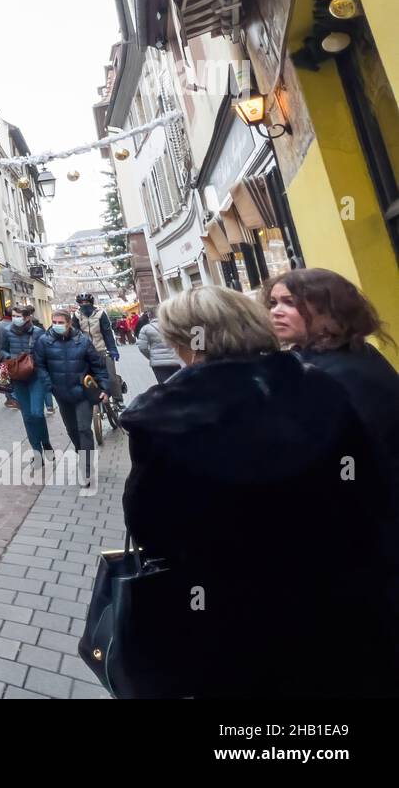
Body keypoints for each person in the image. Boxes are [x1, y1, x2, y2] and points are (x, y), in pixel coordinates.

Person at [118, 286, 398, 697]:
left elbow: (151, 525)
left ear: (187, 343)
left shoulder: (162, 416)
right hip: (340, 595)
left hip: (229, 609)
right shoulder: (319, 386)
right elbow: (364, 487)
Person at [263, 268, 399, 443]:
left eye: (290, 302)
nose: (276, 311)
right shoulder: (341, 354)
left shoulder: (340, 372)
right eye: (273, 303)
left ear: (329, 311)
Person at [34, 309, 108, 485]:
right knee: (72, 430)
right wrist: (49, 386)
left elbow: (98, 365)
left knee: (84, 429)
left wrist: (104, 387)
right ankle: (81, 450)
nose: (57, 325)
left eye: (61, 322)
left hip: (83, 393)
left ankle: (86, 469)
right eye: (55, 322)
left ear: (69, 323)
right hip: (61, 393)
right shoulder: (44, 341)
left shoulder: (82, 341)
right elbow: (40, 365)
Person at [0, 305, 52, 462]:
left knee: (37, 413)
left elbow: (45, 354)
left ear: (27, 317)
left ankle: (46, 442)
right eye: (14, 315)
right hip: (17, 377)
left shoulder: (38, 332)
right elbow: (0, 351)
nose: (16, 318)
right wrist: (12, 357)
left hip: (36, 377)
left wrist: (32, 360)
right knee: (27, 416)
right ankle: (37, 452)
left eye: (19, 316)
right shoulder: (6, 331)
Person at [73, 293, 122, 403]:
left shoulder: (100, 314)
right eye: (82, 303)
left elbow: (107, 333)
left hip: (101, 349)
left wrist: (113, 349)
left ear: (91, 303)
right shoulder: (76, 315)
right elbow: (75, 334)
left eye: (87, 303)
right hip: (85, 351)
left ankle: (118, 399)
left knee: (111, 376)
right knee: (86, 378)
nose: (84, 305)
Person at [135, 310, 182, 384]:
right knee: (179, 384)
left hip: (158, 363)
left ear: (149, 316)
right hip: (175, 360)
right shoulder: (173, 326)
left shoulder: (145, 329)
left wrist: (151, 356)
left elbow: (142, 347)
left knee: (164, 386)